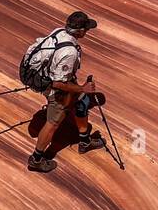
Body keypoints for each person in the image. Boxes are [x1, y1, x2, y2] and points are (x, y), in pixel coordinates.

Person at [26, 11, 106, 173]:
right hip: (55, 87)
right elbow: (59, 83)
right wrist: (83, 88)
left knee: (82, 102)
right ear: (80, 31)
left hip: (48, 76)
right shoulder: (70, 52)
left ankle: (84, 141)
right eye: (86, 29)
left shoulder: (59, 32)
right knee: (53, 123)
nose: (87, 32)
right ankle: (36, 159)